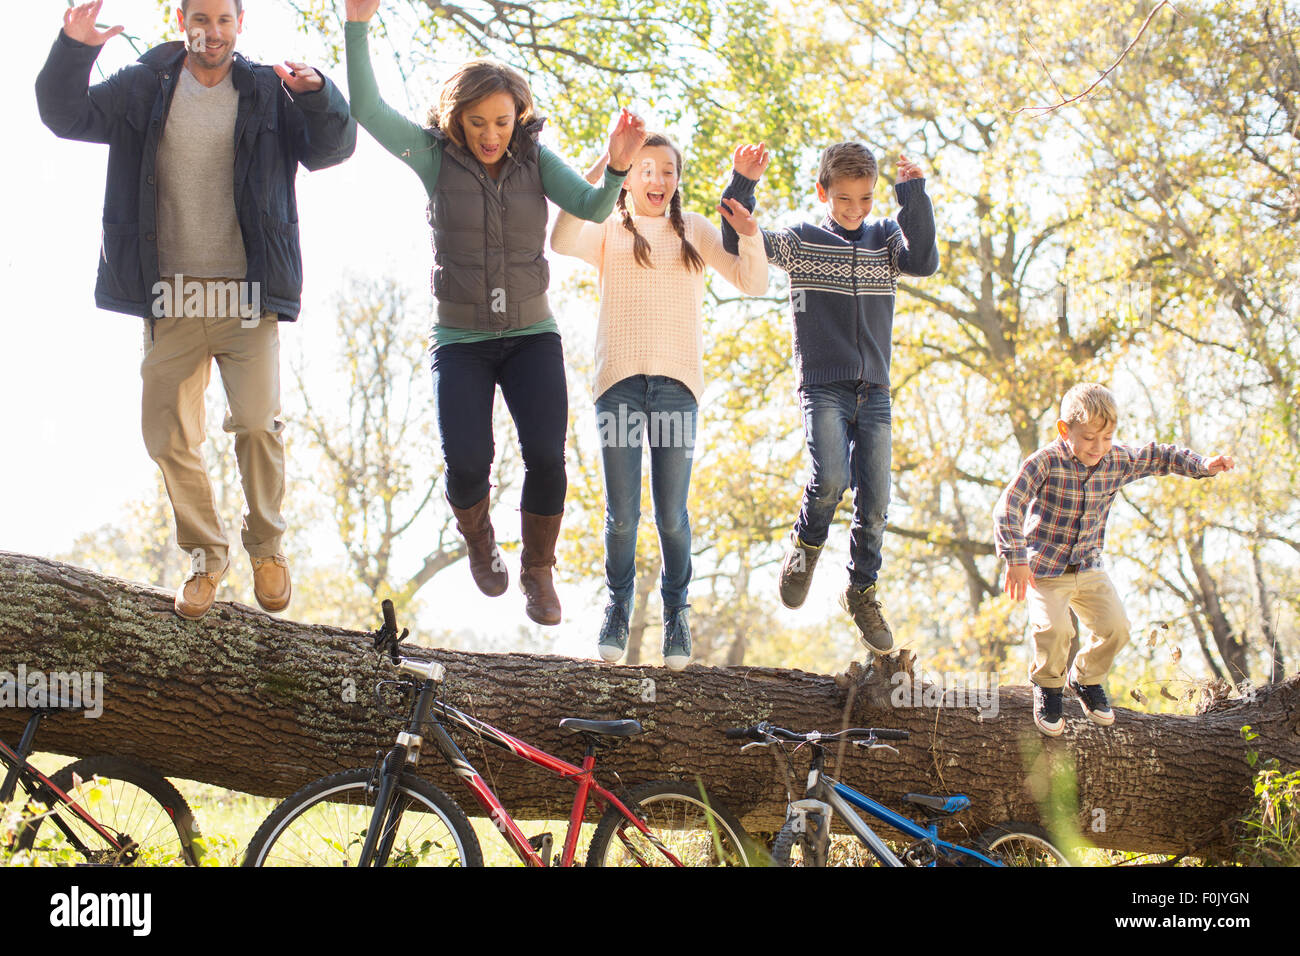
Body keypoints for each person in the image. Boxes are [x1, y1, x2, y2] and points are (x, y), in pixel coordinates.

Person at [36, 0, 357, 620]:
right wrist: (74, 48)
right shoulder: (144, 86)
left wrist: (318, 94)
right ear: (182, 21)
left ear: (241, 26)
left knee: (258, 424)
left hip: (246, 294)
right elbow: (64, 114)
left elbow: (332, 149)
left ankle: (266, 548)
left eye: (225, 20)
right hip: (173, 296)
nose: (212, 32)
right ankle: (207, 558)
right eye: (201, 18)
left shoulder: (269, 91)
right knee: (166, 434)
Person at [344, 0, 645, 626]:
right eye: (477, 122)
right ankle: (480, 541)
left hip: (532, 335)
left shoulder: (535, 159)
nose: (489, 134)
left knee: (547, 455)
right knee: (467, 462)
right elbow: (368, 110)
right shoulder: (433, 157)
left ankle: (538, 571)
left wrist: (617, 163)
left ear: (519, 117)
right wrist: (357, 25)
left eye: (501, 121)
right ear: (457, 120)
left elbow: (591, 207)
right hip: (461, 340)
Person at [550, 133, 768, 669]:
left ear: (677, 178)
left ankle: (676, 613)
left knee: (672, 515)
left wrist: (751, 233)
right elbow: (559, 237)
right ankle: (617, 607)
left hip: (675, 390)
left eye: (667, 171)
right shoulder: (608, 228)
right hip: (620, 386)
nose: (657, 180)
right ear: (630, 174)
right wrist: (608, 160)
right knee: (622, 516)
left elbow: (753, 281)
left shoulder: (692, 229)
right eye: (645, 169)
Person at [719, 141, 938, 654]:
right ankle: (806, 548)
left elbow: (924, 260)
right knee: (832, 478)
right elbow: (739, 239)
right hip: (824, 385)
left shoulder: (886, 237)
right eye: (844, 200)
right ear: (823, 192)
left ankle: (862, 591)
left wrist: (914, 195)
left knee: (877, 501)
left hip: (876, 390)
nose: (856, 210)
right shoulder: (803, 240)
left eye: (865, 199)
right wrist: (743, 182)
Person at [993, 383, 1235, 737]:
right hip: (1044, 570)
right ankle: (1047, 686)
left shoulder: (1116, 460)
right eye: (1090, 438)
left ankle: (1086, 678)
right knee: (1055, 631)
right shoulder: (1045, 462)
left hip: (1089, 568)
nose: (1099, 447)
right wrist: (1015, 557)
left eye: (1107, 438)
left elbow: (1160, 456)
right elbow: (1008, 505)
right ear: (1065, 430)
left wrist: (1202, 465)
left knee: (1117, 628)